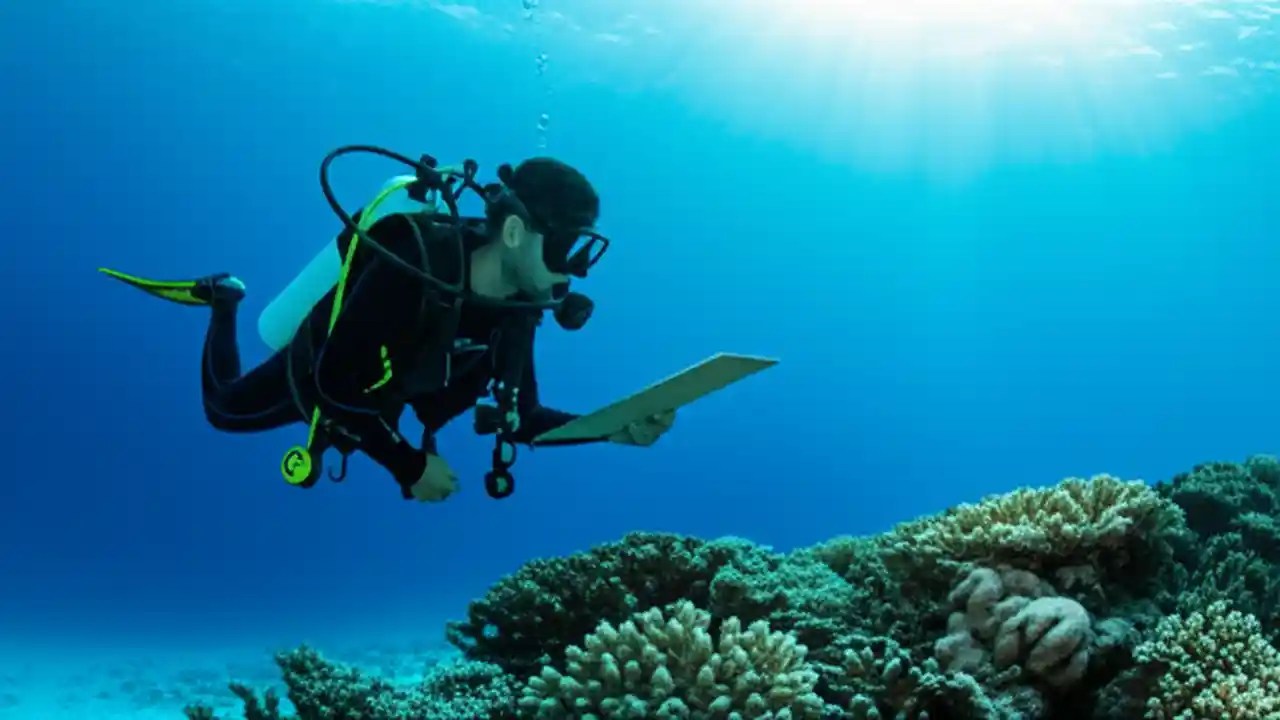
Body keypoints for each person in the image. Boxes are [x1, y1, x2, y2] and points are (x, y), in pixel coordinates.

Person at [101, 155, 675, 502]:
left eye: (585, 249)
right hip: (325, 370)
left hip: (383, 395)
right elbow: (333, 382)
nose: (575, 266)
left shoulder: (519, 310)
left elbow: (520, 419)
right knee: (223, 411)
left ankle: (225, 303)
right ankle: (223, 301)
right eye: (571, 244)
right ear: (519, 233)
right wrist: (406, 463)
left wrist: (611, 429)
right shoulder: (415, 260)